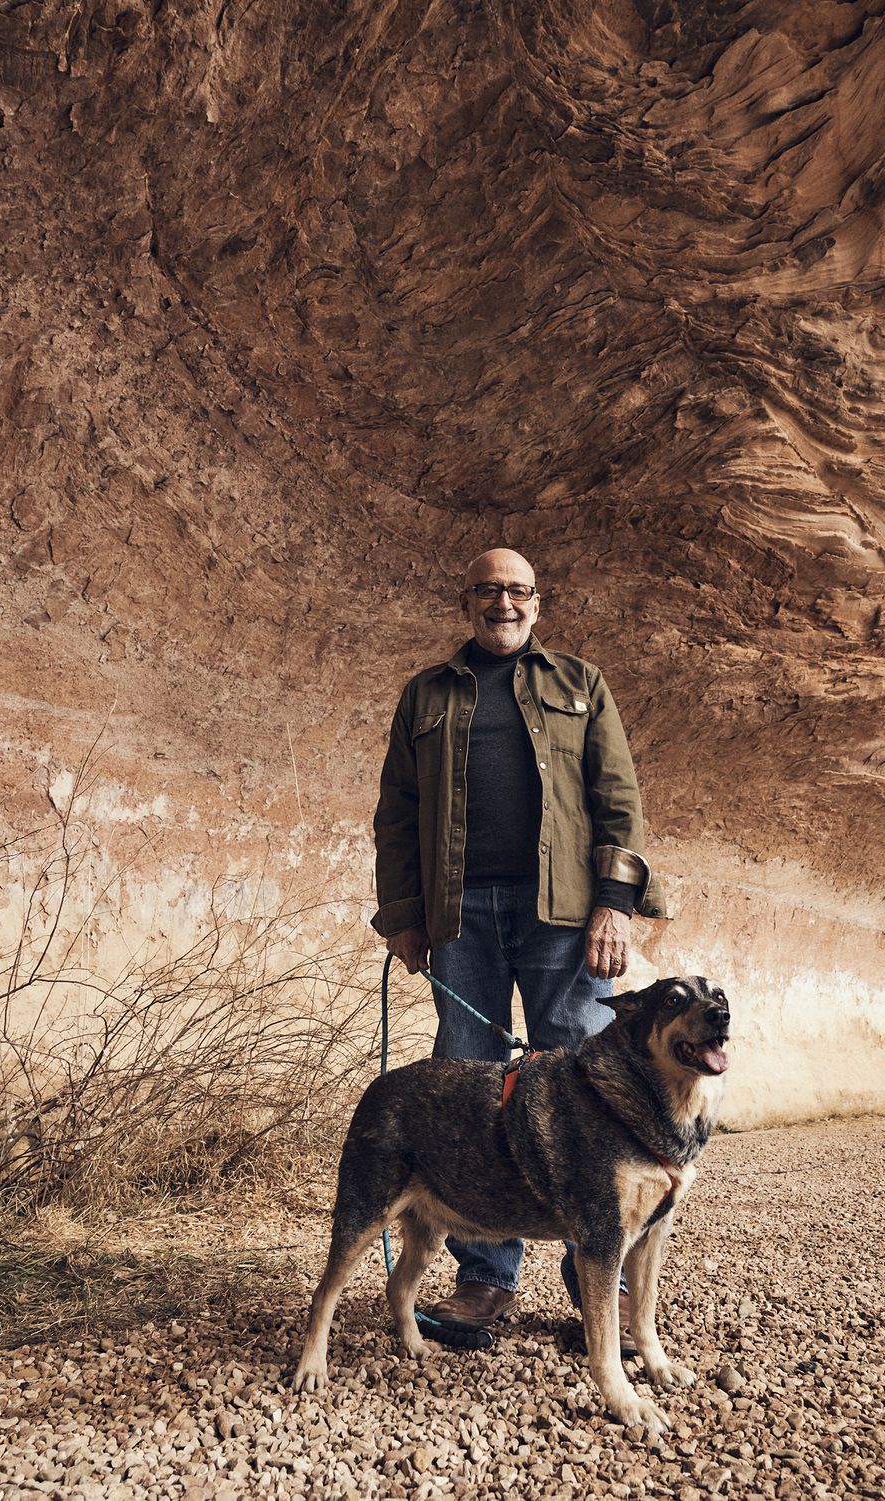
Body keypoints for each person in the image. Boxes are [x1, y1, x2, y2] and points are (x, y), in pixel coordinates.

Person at [371, 548, 664, 1338]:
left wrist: (614, 904)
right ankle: (484, 1280)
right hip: (458, 913)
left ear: (539, 603)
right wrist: (402, 912)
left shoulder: (580, 684)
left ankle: (594, 1283)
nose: (505, 602)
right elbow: (397, 812)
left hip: (564, 914)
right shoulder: (425, 694)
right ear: (466, 599)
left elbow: (618, 800)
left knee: (587, 1085)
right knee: (466, 1084)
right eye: (490, 589)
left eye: (519, 590)